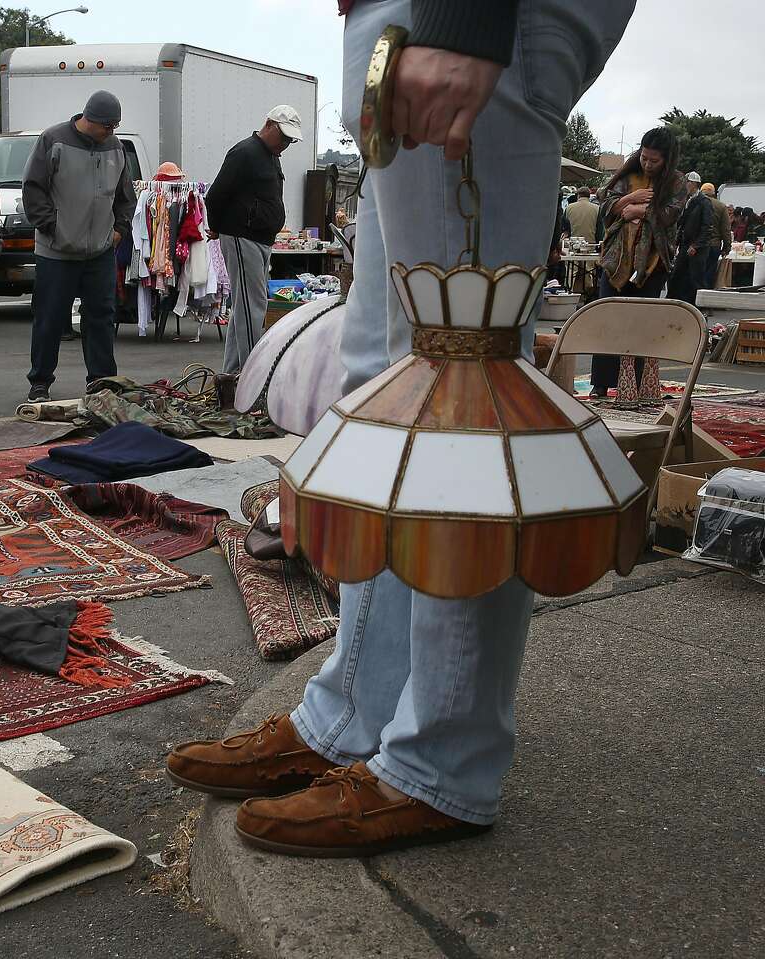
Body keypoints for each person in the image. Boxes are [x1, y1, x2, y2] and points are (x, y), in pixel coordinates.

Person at [165, 0, 637, 858]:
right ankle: (355, 715)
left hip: (462, 21)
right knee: (387, 390)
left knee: (467, 408)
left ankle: (442, 758)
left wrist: (465, 19)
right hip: (406, 25)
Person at [22, 90, 136, 402]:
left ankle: (101, 381)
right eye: (107, 126)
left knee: (101, 317)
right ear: (90, 119)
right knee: (49, 318)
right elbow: (33, 188)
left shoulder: (115, 148)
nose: (111, 132)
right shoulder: (53, 140)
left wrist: (120, 230)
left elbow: (126, 197)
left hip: (100, 252)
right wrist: (51, 227)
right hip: (56, 252)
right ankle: (40, 383)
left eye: (115, 127)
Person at [587, 129, 686, 402]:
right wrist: (630, 200)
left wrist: (638, 211)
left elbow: (671, 214)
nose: (647, 164)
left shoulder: (677, 181)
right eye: (644, 157)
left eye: (654, 160)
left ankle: (639, 383)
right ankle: (601, 383)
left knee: (641, 322)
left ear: (667, 159)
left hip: (653, 263)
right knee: (608, 317)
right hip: (617, 260)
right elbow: (606, 204)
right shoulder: (627, 176)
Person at [206, 105, 302, 375]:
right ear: (269, 125)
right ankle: (253, 374)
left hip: (257, 237)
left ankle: (233, 373)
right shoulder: (245, 153)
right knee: (252, 305)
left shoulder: (269, 155)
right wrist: (217, 227)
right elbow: (216, 195)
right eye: (284, 137)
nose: (286, 144)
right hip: (242, 235)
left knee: (245, 307)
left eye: (290, 140)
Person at [666, 171, 714, 306]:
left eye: (687, 182)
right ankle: (674, 302)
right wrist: (676, 242)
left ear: (694, 184)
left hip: (698, 247)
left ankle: (699, 306)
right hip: (685, 244)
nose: (684, 185)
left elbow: (707, 227)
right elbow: (682, 224)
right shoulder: (688, 200)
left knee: (696, 278)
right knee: (677, 275)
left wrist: (696, 245)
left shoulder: (704, 202)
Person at [701, 183, 732, 289]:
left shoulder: (696, 203)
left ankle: (695, 294)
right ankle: (706, 293)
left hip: (698, 246)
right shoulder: (721, 206)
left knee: (697, 272)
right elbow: (726, 229)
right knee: (709, 273)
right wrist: (727, 247)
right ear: (713, 193)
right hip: (714, 245)